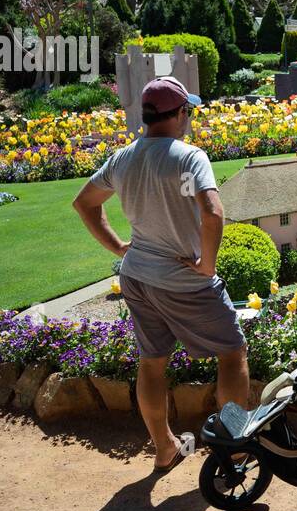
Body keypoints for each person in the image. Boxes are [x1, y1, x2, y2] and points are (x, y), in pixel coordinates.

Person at [72, 75, 249, 472]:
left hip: (138, 277)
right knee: (233, 354)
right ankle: (237, 448)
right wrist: (207, 264)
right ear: (180, 113)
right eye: (189, 110)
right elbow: (213, 213)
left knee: (152, 362)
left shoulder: (123, 157)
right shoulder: (189, 157)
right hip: (184, 281)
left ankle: (165, 447)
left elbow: (84, 204)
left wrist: (119, 247)